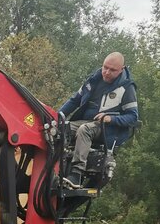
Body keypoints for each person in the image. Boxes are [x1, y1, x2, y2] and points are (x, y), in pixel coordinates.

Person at [59, 52, 138, 189]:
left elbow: (132, 117)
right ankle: (55, 170)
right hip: (85, 121)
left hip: (108, 130)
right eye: (105, 67)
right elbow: (74, 101)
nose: (106, 72)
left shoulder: (126, 88)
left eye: (112, 70)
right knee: (60, 130)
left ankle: (76, 174)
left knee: (85, 130)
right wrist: (56, 117)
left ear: (121, 69)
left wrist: (110, 118)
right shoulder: (93, 80)